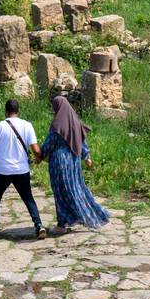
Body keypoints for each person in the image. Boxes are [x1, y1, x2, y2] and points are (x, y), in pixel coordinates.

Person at [0, 98, 46, 239]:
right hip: (21, 170)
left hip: (2, 170)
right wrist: (40, 158)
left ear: (5, 112)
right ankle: (38, 225)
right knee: (28, 198)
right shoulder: (27, 125)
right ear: (18, 112)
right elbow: (36, 150)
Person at [40, 94, 110, 235]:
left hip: (60, 163)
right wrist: (87, 157)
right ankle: (95, 214)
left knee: (61, 192)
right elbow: (82, 142)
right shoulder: (75, 122)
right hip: (74, 161)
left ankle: (62, 224)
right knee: (76, 188)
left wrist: (39, 156)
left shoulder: (57, 125)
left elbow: (48, 145)